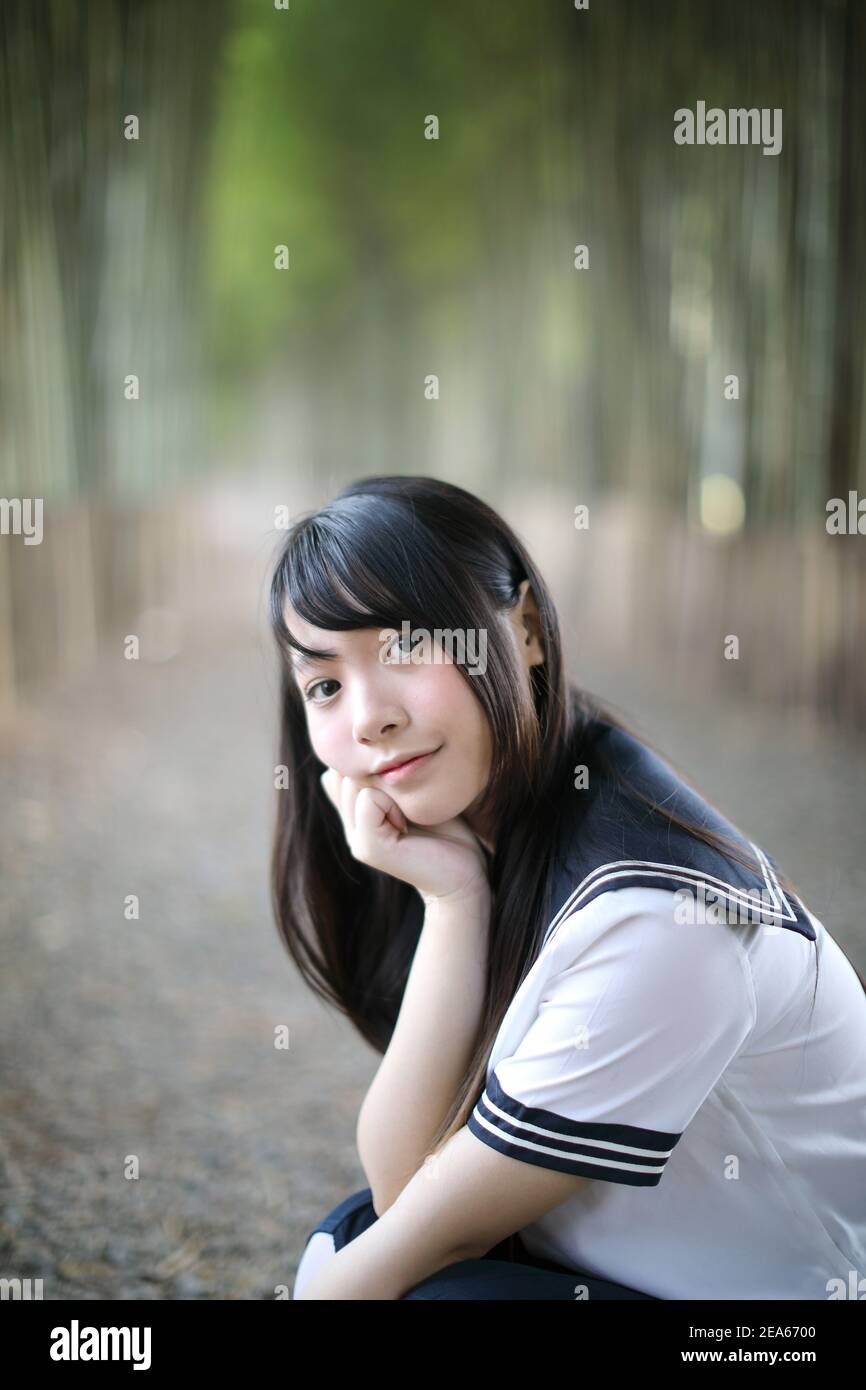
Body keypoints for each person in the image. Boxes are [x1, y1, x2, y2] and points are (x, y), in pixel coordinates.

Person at [268, 474, 866, 1301]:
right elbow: (403, 1184)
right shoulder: (513, 825)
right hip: (632, 1276)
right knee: (351, 1236)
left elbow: (428, 1239)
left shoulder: (653, 920)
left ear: (526, 630)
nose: (369, 716)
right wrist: (453, 900)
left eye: (405, 645)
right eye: (325, 684)